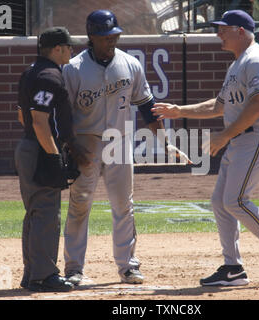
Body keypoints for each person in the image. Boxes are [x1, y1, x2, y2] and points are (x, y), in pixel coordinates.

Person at [152, 10, 259, 286]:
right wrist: (178, 110)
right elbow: (218, 105)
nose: (218, 33)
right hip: (242, 138)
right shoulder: (238, 64)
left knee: (235, 200)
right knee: (221, 203)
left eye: (223, 28)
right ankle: (233, 268)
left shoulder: (256, 60)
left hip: (256, 136)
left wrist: (223, 136)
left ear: (241, 31)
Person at [62, 9, 191, 286]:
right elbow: (64, 115)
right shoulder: (73, 69)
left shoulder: (130, 64)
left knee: (124, 206)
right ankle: (73, 268)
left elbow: (147, 107)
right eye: (106, 37)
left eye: (115, 36)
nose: (112, 41)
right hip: (86, 142)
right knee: (79, 205)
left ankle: (129, 266)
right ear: (92, 37)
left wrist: (166, 143)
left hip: (120, 141)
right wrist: (70, 147)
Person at [15, 26, 89, 292]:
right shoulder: (49, 76)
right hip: (40, 149)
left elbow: (23, 115)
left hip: (29, 147)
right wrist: (54, 156)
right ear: (57, 49)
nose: (72, 50)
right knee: (46, 214)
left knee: (35, 213)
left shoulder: (32, 71)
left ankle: (32, 273)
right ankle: (43, 276)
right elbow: (38, 120)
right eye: (69, 46)